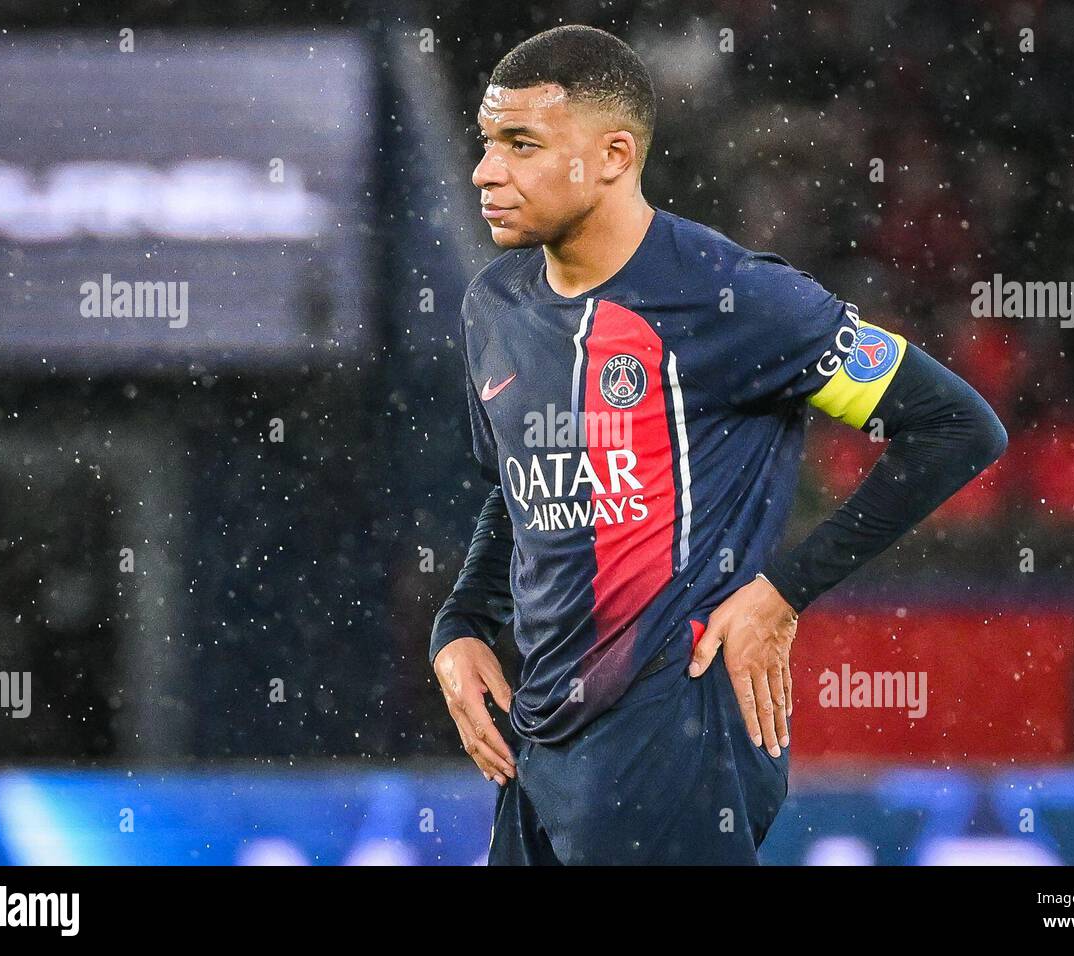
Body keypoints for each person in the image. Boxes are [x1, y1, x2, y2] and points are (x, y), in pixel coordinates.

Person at [430, 24, 1007, 864]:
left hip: (678, 741)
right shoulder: (495, 304)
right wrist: (463, 621)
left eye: (522, 145)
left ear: (615, 155)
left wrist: (783, 589)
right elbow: (513, 490)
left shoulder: (735, 298)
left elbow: (958, 427)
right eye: (488, 144)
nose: (486, 172)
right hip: (536, 752)